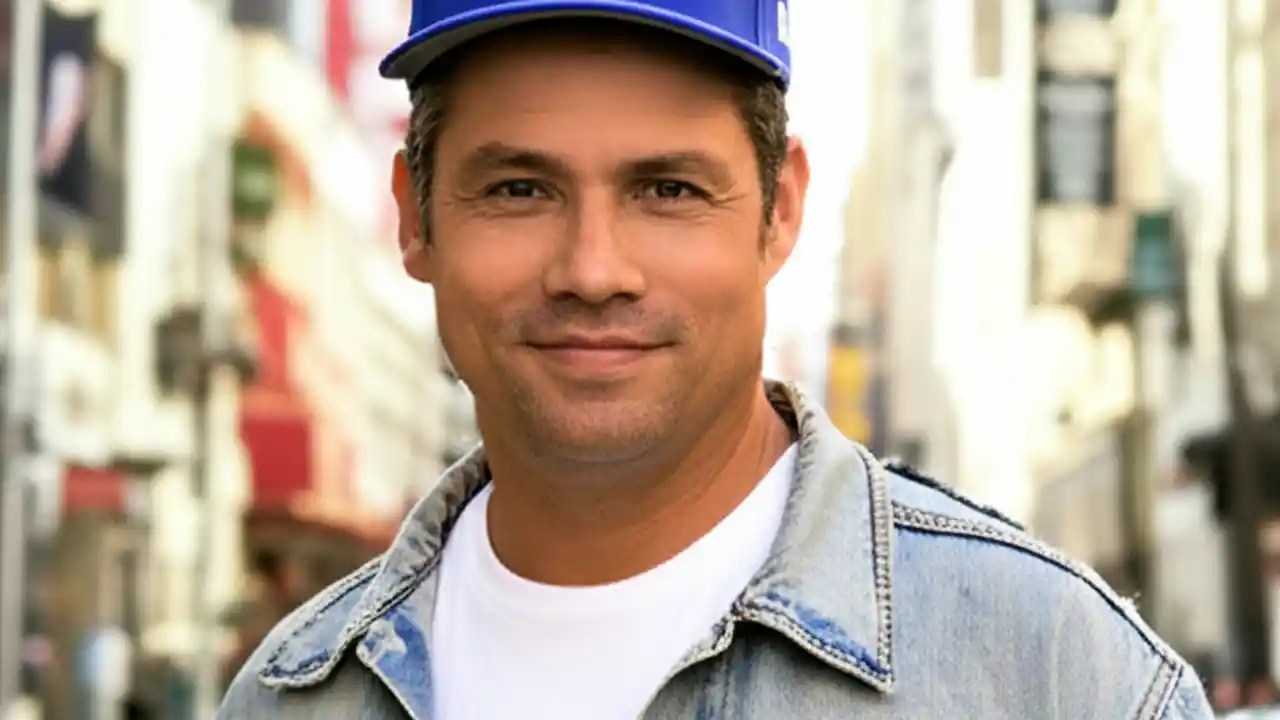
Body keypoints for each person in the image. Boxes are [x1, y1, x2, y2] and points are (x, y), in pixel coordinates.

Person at [219, 1, 1214, 718]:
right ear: (414, 216)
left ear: (779, 211)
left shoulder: (1047, 672)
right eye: (519, 189)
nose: (592, 269)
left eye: (667, 191)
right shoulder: (291, 693)